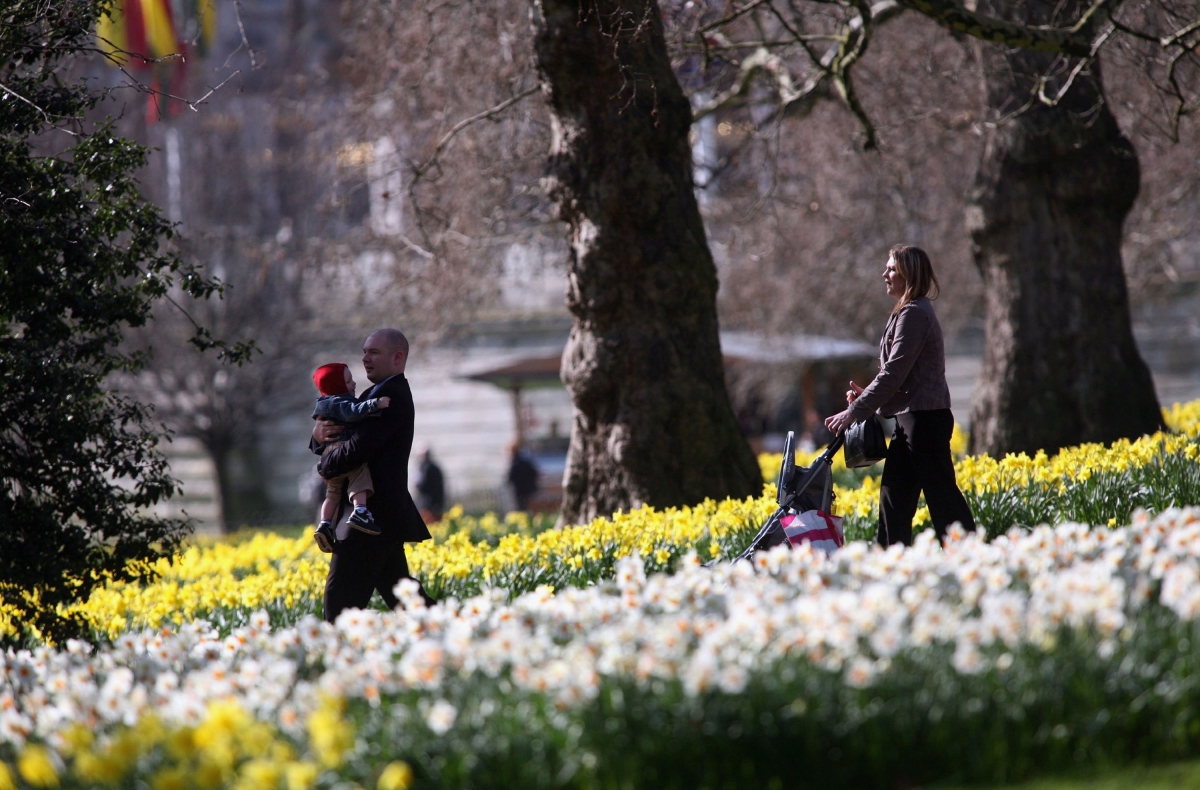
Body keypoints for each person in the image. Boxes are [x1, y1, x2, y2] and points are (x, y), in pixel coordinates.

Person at [824, 244, 976, 547]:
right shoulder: (906, 313)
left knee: (943, 500)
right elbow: (903, 377)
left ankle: (973, 557)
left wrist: (855, 412)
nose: (885, 274)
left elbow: (894, 372)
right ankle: (892, 565)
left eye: (892, 268)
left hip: (924, 423)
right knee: (894, 499)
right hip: (911, 423)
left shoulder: (915, 313)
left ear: (910, 273)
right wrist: (869, 395)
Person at [311, 329, 434, 620]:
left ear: (397, 357)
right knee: (405, 599)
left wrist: (325, 467)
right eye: (364, 352)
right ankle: (465, 631)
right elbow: (339, 433)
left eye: (373, 353)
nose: (365, 359)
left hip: (368, 521)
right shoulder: (373, 396)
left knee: (339, 604)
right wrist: (318, 437)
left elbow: (357, 449)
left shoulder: (389, 396)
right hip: (380, 519)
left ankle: (337, 658)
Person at [310, 362, 391, 553]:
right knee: (359, 476)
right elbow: (354, 413)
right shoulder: (342, 402)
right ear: (337, 386)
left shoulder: (323, 404)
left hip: (329, 454)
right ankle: (360, 511)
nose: (354, 383)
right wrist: (375, 404)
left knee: (332, 493)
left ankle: (324, 523)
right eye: (348, 381)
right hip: (342, 451)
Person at [414, 446, 446, 523]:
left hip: (427, 505)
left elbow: (421, 485)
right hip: (436, 504)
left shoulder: (425, 468)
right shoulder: (436, 467)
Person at [506, 442, 539, 512]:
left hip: (519, 490)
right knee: (526, 507)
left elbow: (510, 478)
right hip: (528, 489)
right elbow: (534, 472)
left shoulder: (515, 463)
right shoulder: (525, 460)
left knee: (520, 507)